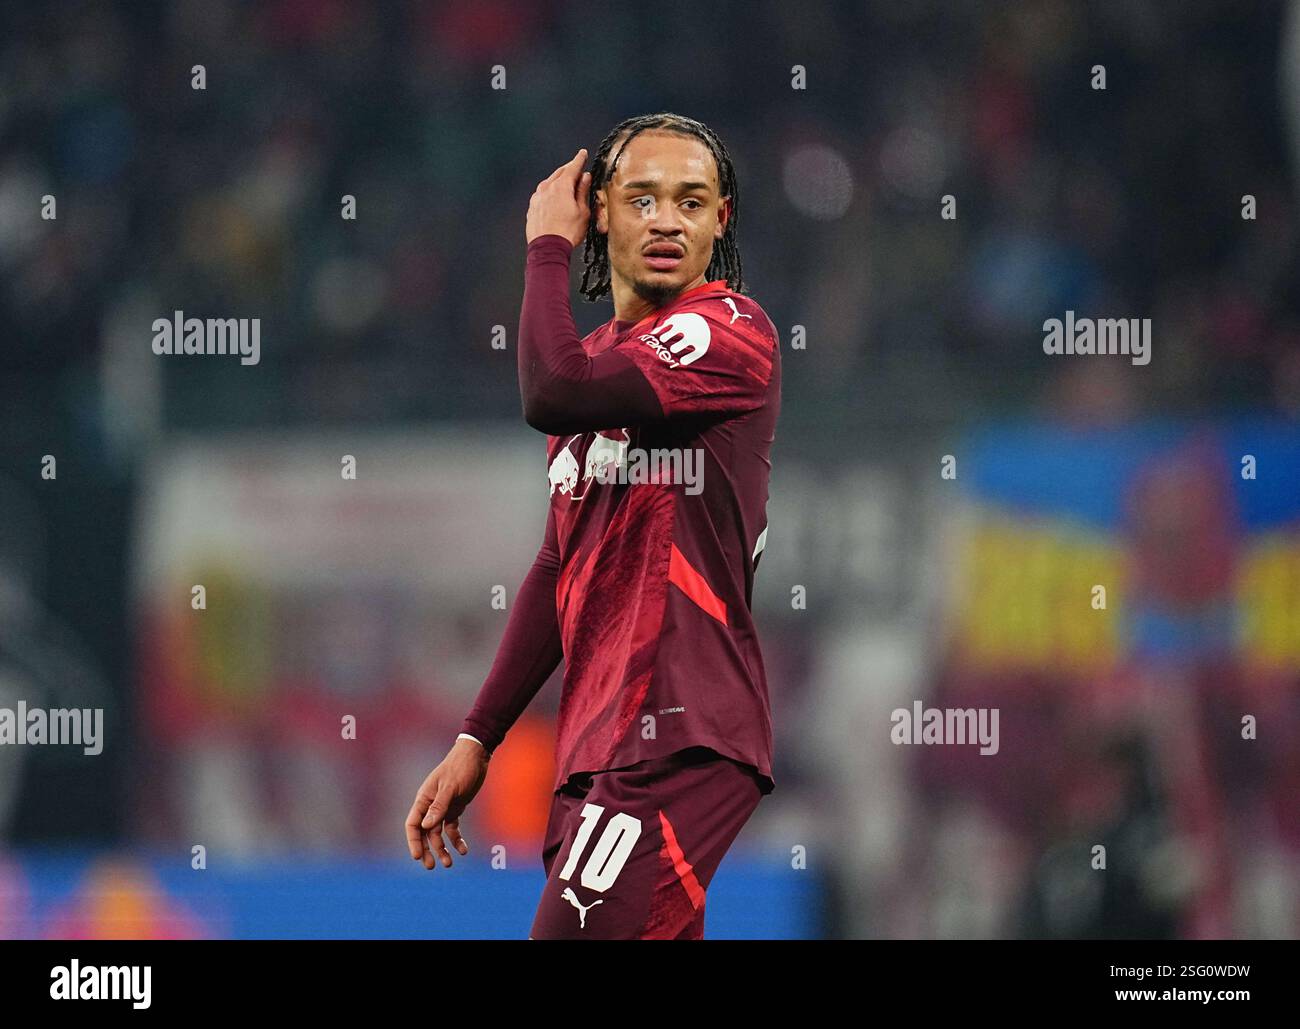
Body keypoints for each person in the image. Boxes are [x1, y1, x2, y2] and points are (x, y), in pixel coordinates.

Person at [405, 113, 782, 939]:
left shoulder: (729, 331)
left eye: (691, 201)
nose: (668, 220)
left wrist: (545, 247)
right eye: (642, 198)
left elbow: (552, 389)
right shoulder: (607, 366)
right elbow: (556, 563)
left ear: (721, 221)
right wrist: (480, 734)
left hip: (678, 731)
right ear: (603, 209)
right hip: (601, 745)